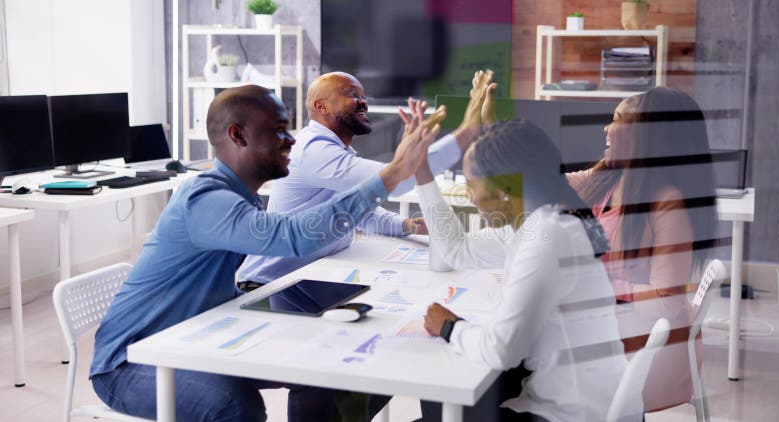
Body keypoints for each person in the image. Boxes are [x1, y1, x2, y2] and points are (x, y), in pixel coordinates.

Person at [89, 84, 440, 422]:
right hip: (131, 361)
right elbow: (293, 235)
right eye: (278, 130)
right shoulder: (205, 200)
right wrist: (391, 174)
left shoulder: (241, 194)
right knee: (233, 407)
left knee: (337, 369)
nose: (291, 140)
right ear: (238, 136)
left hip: (198, 334)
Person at [415, 118, 628, 421]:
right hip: (574, 398)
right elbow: (455, 249)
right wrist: (421, 170)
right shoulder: (538, 222)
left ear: (506, 188)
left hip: (569, 413)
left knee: (441, 392)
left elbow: (502, 350)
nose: (470, 198)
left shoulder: (549, 236)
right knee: (441, 395)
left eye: (473, 187)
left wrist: (450, 327)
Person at [235, 70, 496, 290]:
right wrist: (467, 132)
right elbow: (396, 181)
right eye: (351, 94)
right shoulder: (313, 150)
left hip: (309, 276)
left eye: (362, 95)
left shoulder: (332, 150)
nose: (363, 102)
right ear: (321, 106)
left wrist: (407, 225)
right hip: (268, 286)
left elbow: (358, 207)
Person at [566, 86, 719, 412]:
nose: (608, 128)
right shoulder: (610, 178)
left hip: (649, 352)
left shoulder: (667, 204)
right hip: (616, 331)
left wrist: (595, 282)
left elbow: (663, 302)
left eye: (621, 120)